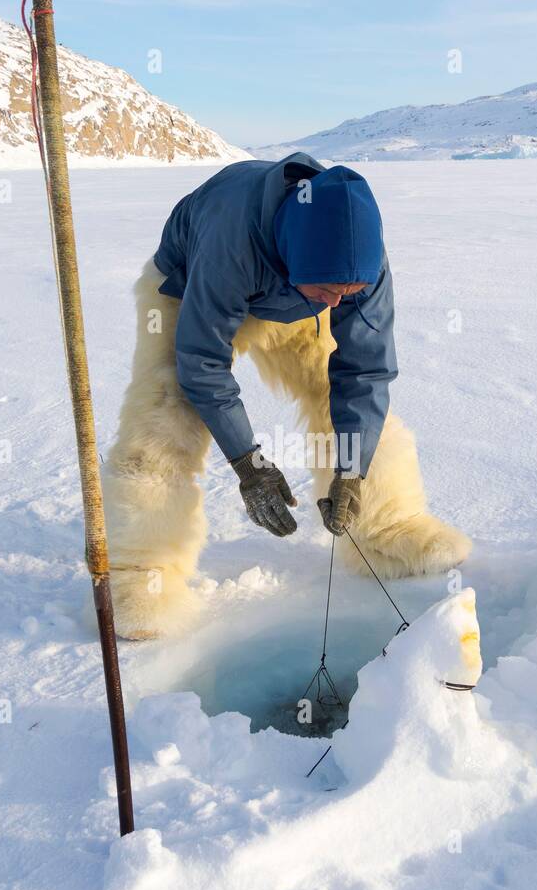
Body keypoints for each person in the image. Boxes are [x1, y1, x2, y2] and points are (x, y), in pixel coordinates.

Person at [102, 152, 470, 638]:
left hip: (298, 293)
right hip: (190, 284)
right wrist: (249, 466)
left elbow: (365, 370)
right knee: (170, 405)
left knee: (332, 386)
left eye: (351, 291)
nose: (341, 302)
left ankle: (388, 527)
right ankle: (142, 572)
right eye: (332, 291)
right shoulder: (230, 244)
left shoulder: (360, 264)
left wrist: (351, 469)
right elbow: (203, 364)